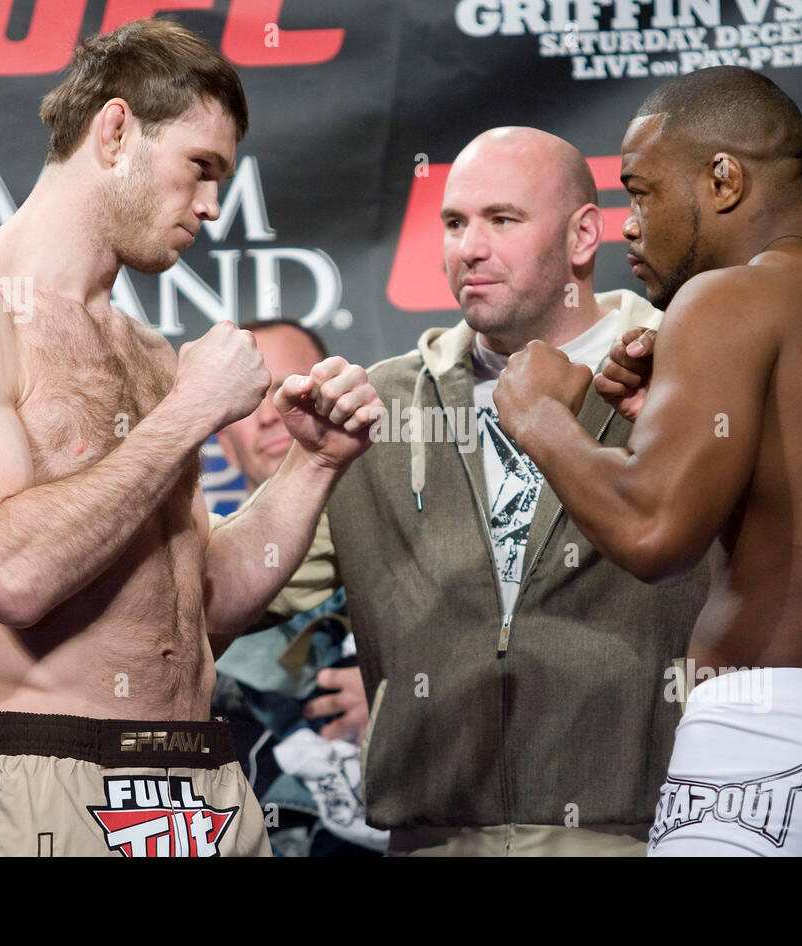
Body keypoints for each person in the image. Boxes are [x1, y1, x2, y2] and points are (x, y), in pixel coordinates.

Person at [0, 19, 381, 857]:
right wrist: (189, 413)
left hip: (206, 781)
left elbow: (203, 605)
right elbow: (12, 573)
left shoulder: (150, 355)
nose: (213, 207)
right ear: (115, 131)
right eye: (201, 169)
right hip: (51, 776)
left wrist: (312, 466)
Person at [494, 66, 802, 856]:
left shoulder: (727, 298)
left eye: (642, 190)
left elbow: (655, 532)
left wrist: (539, 419)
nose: (630, 223)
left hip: (777, 752)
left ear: (723, 179)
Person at [263, 126, 709, 856]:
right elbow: (242, 588)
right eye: (453, 222)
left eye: (502, 220)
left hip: (642, 835)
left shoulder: (689, 373)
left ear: (583, 236)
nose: (468, 247)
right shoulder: (378, 407)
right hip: (432, 837)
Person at [212, 318, 383, 856]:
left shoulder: (404, 523)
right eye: (252, 396)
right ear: (223, 436)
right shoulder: (193, 573)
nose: (270, 413)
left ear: (338, 393)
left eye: (293, 387)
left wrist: (395, 694)